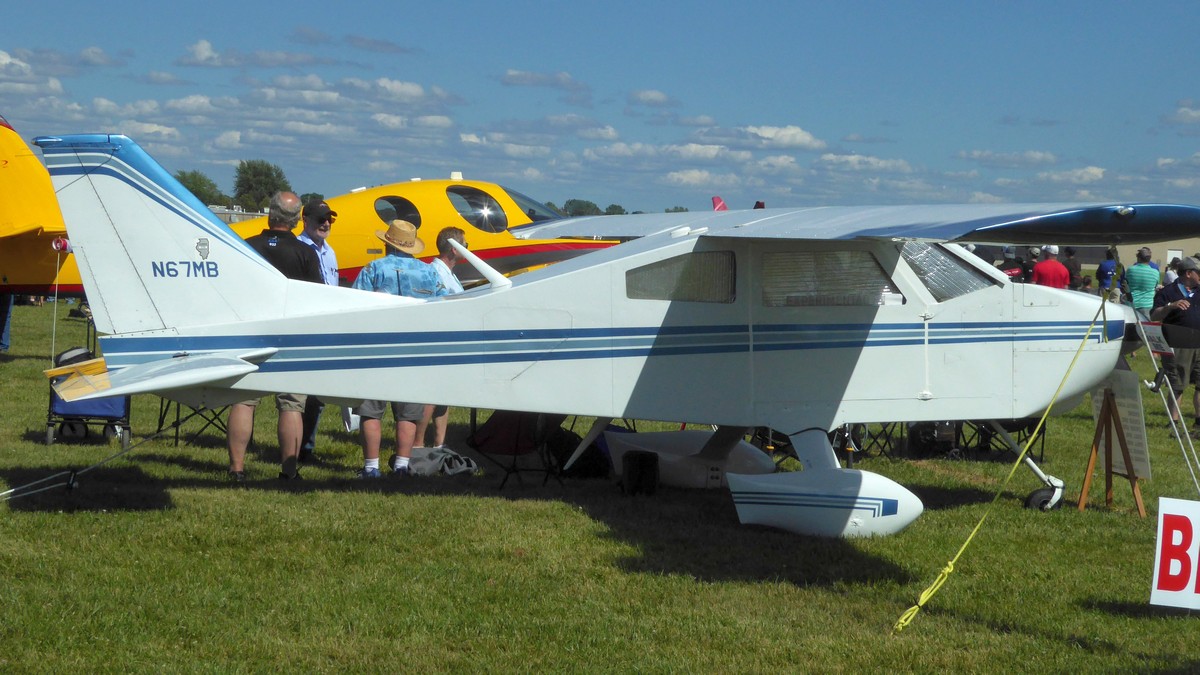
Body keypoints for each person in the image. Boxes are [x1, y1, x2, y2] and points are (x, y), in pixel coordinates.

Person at [227, 191, 323, 481]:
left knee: (244, 400)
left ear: (270, 214)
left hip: (251, 331)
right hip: (290, 334)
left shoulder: (246, 247)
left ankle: (237, 469)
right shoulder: (305, 253)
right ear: (296, 221)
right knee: (291, 404)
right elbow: (315, 297)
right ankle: (289, 471)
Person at [351, 220, 449, 477]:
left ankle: (371, 467)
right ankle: (402, 465)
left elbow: (354, 306)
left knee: (371, 412)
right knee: (408, 414)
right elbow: (442, 308)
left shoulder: (373, 268)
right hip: (414, 351)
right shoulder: (429, 272)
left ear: (387, 243)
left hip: (376, 348)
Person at [414, 227, 467, 450]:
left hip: (450, 341)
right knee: (430, 397)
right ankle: (417, 444)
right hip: (436, 342)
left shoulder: (448, 272)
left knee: (443, 394)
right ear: (454, 249)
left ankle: (439, 444)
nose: (467, 249)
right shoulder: (435, 273)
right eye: (465, 245)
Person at [297, 198, 340, 462]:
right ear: (305, 220)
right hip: (305, 326)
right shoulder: (300, 248)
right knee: (298, 394)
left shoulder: (330, 252)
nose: (325, 224)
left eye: (329, 219)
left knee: (318, 395)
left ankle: (307, 447)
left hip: (326, 326)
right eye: (320, 219)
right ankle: (296, 447)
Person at [1152, 256, 1200, 434]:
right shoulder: (1168, 292)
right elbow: (1154, 315)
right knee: (1177, 384)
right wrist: (1170, 307)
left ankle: (1198, 422)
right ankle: (1174, 423)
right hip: (1178, 345)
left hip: (1199, 344)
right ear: (1189, 273)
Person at [1126, 246, 1161, 317]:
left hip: (1132, 303)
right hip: (1147, 304)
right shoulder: (1155, 272)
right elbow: (1155, 286)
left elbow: (1126, 283)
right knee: (1145, 326)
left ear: (1138, 258)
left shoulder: (1130, 270)